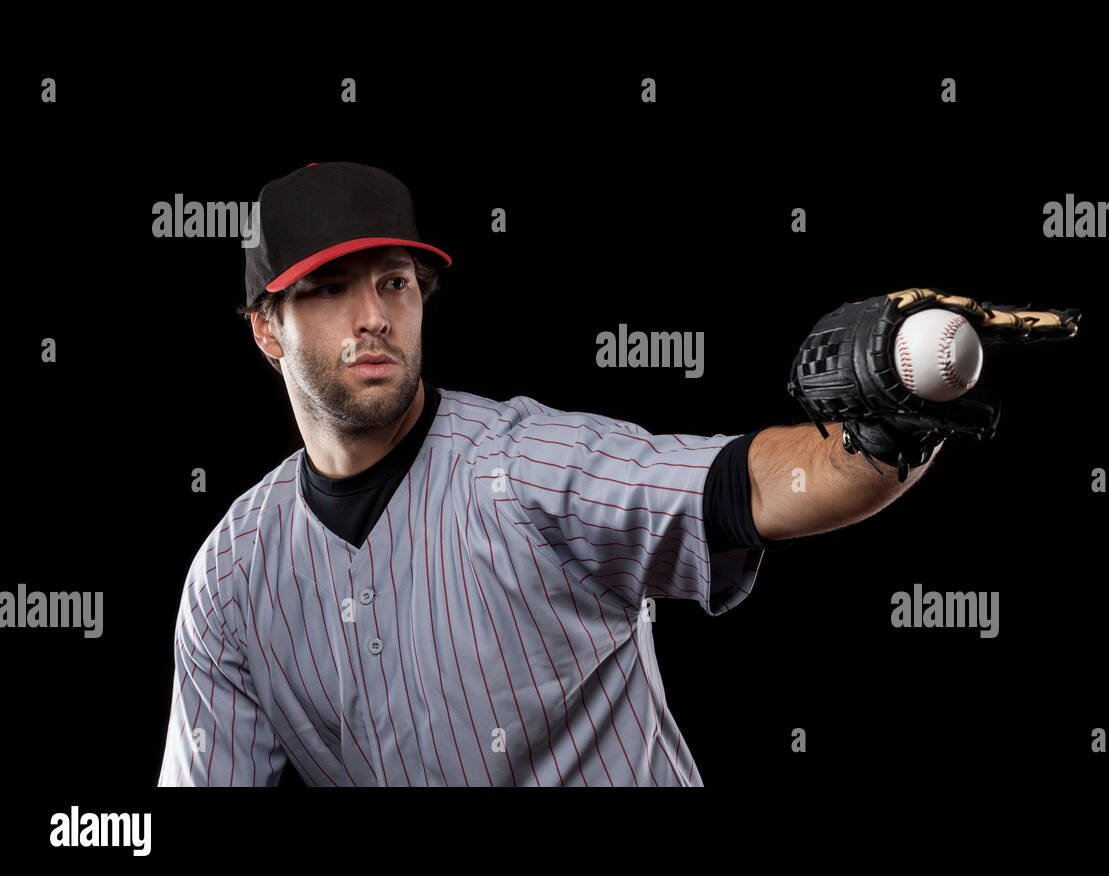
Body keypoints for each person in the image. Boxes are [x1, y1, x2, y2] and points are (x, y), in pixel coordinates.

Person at [157, 161, 950, 787]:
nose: (372, 315)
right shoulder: (232, 577)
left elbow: (757, 487)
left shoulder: (525, 468)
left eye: (394, 282)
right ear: (268, 329)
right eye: (330, 289)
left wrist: (897, 421)